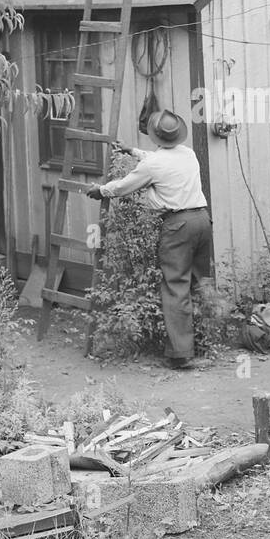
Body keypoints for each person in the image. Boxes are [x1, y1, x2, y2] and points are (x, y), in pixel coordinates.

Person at [86, 110, 212, 370]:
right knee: (198, 282)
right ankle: (206, 340)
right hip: (202, 220)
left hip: (178, 225)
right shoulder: (188, 153)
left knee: (176, 286)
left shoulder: (153, 165)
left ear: (155, 135)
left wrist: (101, 190)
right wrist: (131, 150)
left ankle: (180, 354)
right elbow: (155, 159)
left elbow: (124, 186)